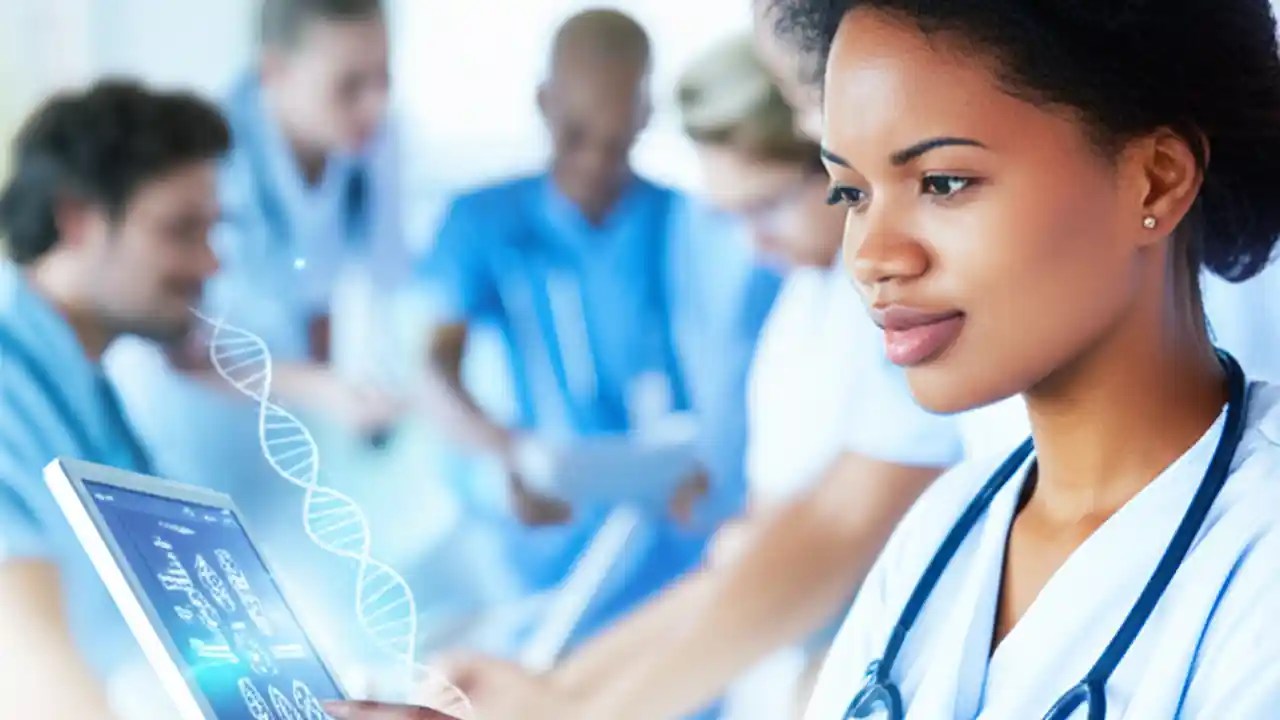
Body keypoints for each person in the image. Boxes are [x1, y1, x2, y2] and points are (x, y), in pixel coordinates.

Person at [770, 0, 1280, 717]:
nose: (873, 257)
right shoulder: (939, 534)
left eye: (942, 182)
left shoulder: (1260, 560)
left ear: (1157, 180)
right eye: (852, 193)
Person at [416, 8, 736, 656]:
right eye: (575, 135)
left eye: (616, 143)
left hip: (664, 543)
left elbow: (731, 370)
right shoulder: (481, 221)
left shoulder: (689, 222)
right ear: (544, 102)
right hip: (532, 541)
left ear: (645, 115)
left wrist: (717, 467)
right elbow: (433, 369)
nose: (594, 161)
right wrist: (503, 454)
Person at [104, 0, 408, 665]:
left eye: (384, 77)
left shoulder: (366, 143)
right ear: (275, 72)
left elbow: (327, 283)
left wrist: (331, 389)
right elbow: (182, 342)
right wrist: (323, 389)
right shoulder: (206, 161)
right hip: (187, 428)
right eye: (349, 84)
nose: (375, 104)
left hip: (283, 424)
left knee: (318, 636)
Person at [0, 81, 228, 718]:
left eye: (213, 230)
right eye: (181, 230)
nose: (210, 263)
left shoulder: (91, 390)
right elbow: (32, 668)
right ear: (77, 220)